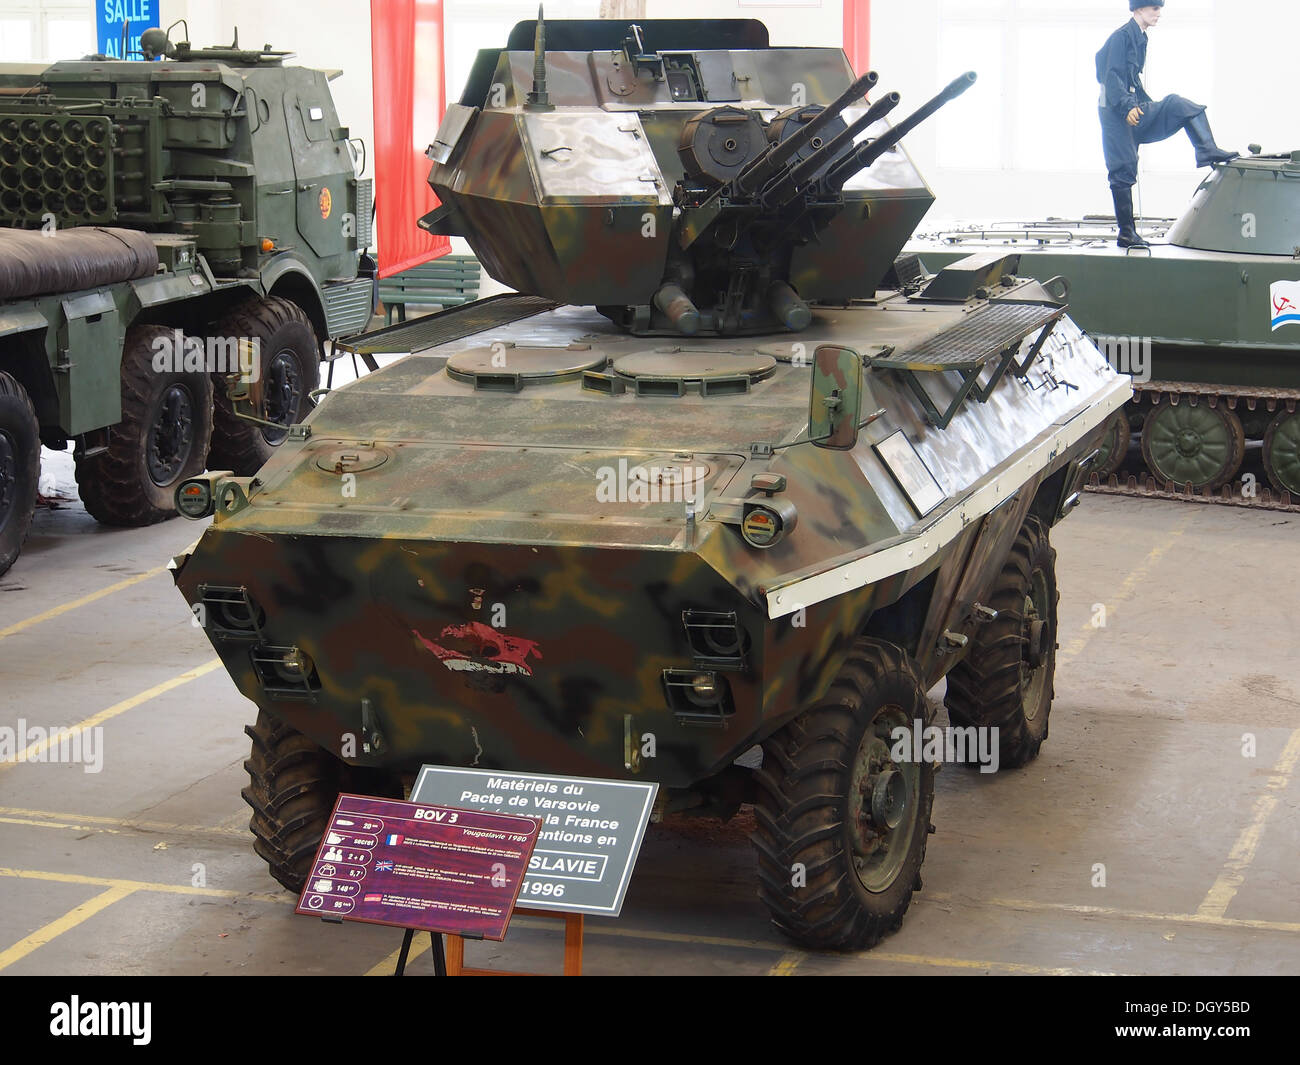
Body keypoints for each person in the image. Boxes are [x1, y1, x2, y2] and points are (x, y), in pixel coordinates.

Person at [1096, 1, 1238, 250]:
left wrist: (1145, 104)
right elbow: (1111, 76)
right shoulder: (1121, 37)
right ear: (1139, 9)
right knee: (1123, 169)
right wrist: (1128, 106)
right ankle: (1127, 233)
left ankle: (1206, 149)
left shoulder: (1140, 37)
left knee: (1177, 105)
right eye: (1154, 9)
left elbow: (1133, 79)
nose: (1159, 14)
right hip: (1116, 112)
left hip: (1133, 105)